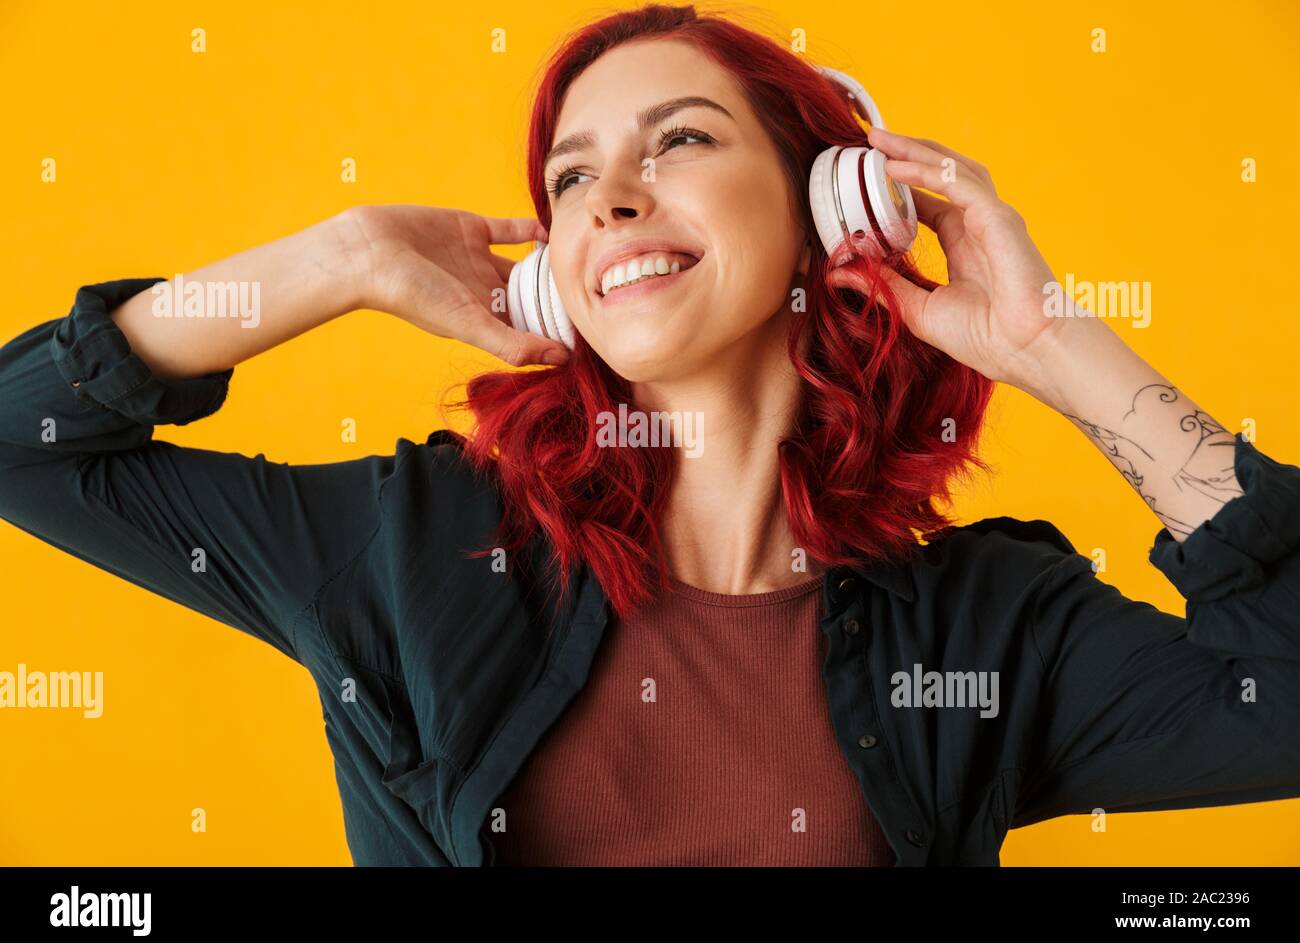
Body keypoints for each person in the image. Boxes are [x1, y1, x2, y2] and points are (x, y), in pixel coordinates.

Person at [1, 3, 1298, 866]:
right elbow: (24, 441)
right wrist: (334, 259)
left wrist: (1053, 347)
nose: (612, 198)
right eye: (572, 177)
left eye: (678, 142)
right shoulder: (419, 547)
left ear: (831, 212)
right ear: (553, 269)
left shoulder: (984, 636)